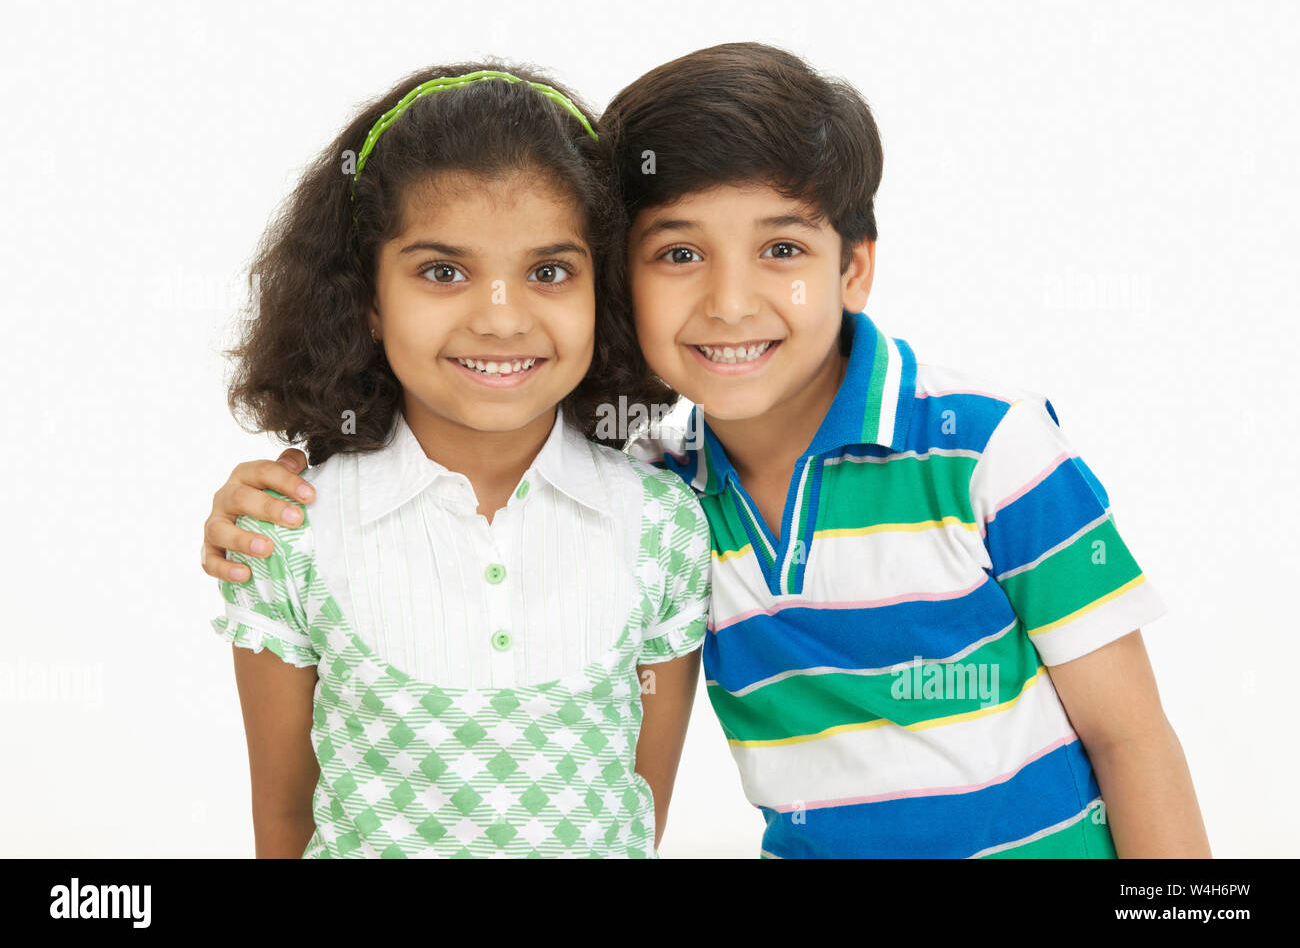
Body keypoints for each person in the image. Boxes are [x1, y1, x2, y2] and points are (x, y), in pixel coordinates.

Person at [205, 43, 1211, 858]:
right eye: (679, 253)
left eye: (781, 249)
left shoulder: (988, 454)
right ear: (621, 282)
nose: (730, 301)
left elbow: (1132, 741)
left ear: (854, 265)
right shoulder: (674, 497)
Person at [208, 61, 710, 858]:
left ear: (602, 289)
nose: (501, 319)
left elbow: (639, 819)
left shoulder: (664, 527)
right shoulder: (288, 533)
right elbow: (283, 823)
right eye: (444, 272)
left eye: (548, 272)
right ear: (368, 300)